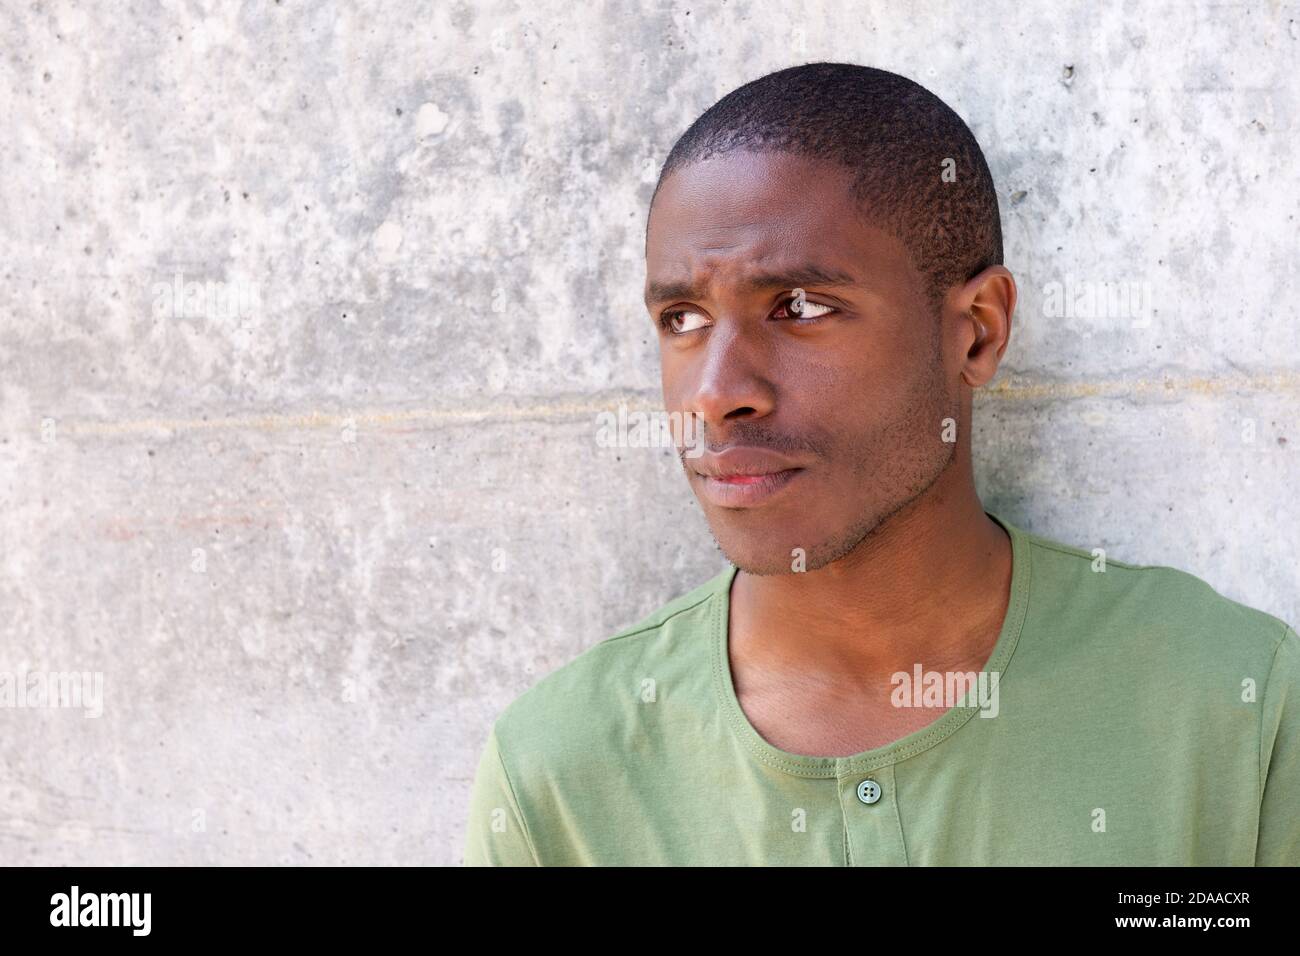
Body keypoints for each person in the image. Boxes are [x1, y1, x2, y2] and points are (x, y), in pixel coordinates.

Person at [463, 62, 1298, 866]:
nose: (715, 396)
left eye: (798, 307)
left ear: (976, 331)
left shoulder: (1235, 707)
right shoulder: (558, 781)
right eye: (681, 319)